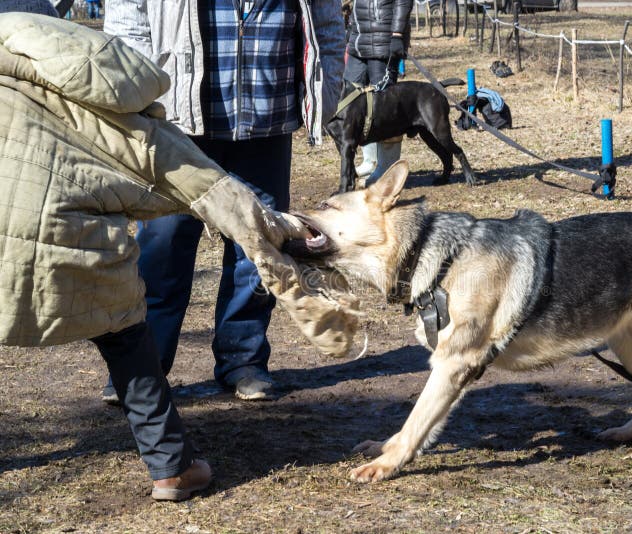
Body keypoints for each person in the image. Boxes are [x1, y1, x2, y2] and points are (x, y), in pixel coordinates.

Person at [0, 11, 355, 500]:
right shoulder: (118, 120)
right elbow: (224, 200)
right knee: (124, 330)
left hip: (263, 112)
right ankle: (170, 467)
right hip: (86, 238)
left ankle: (241, 362)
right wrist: (288, 230)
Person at [101, 0, 345, 403]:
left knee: (260, 250)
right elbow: (128, 23)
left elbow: (328, 24)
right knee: (162, 250)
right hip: (177, 122)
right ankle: (141, 369)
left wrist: (327, 89)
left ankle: (244, 361)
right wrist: (138, 98)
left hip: (268, 119)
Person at [344, 0, 413, 183]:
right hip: (357, 43)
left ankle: (387, 168)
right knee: (353, 104)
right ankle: (370, 160)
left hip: (384, 43)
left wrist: (397, 35)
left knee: (386, 108)